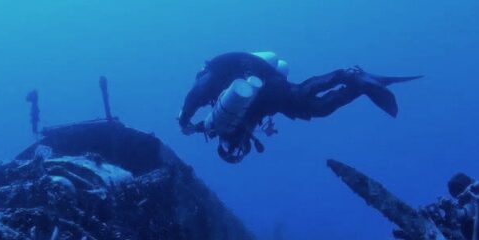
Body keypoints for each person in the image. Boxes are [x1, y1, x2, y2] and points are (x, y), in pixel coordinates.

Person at [178, 52, 420, 162]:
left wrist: (184, 120)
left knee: (306, 99)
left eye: (234, 151)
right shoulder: (224, 120)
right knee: (311, 104)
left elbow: (195, 94)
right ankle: (357, 82)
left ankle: (351, 77)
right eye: (241, 152)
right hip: (268, 89)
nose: (239, 148)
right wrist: (192, 125)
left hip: (264, 87)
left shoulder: (215, 97)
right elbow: (204, 120)